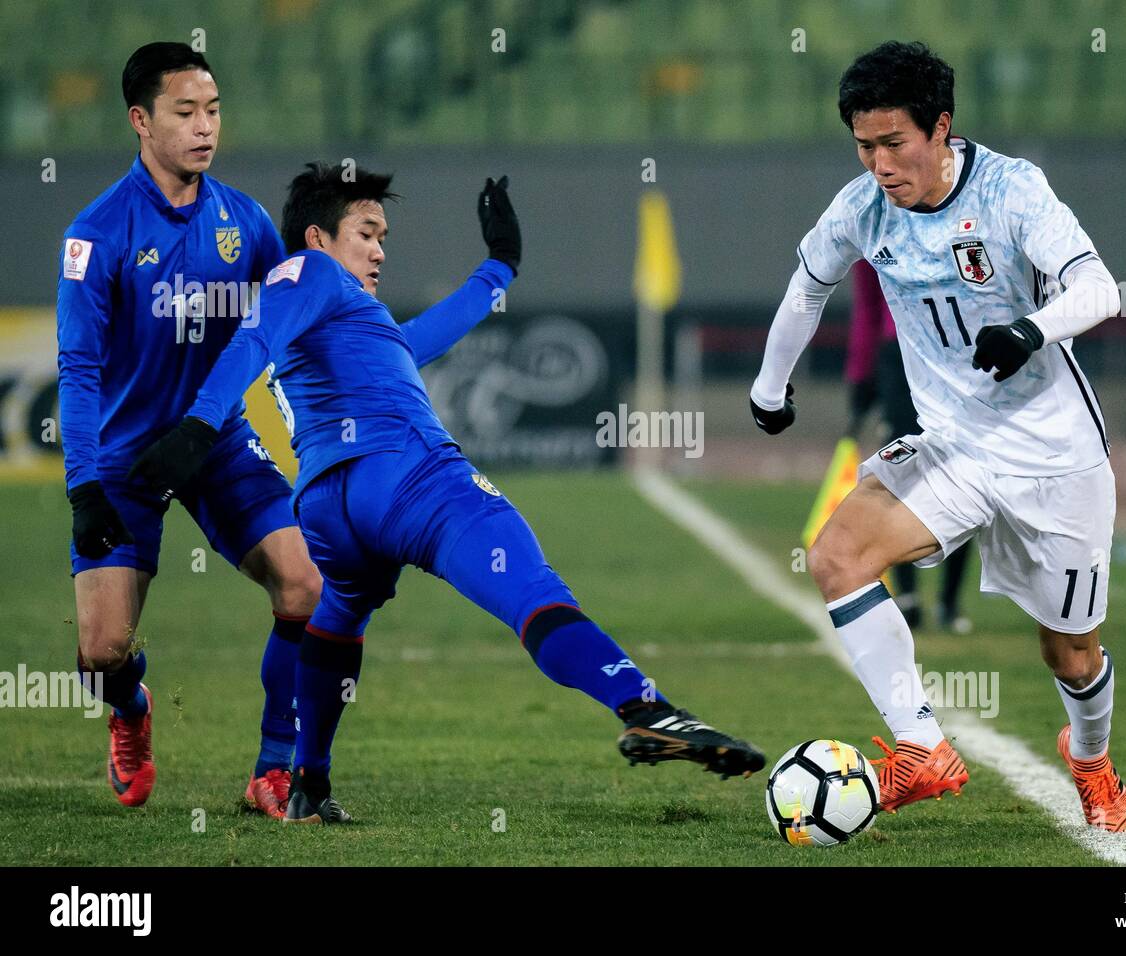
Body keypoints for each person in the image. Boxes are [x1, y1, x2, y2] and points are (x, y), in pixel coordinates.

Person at [130, 163, 765, 823]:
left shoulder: (348, 320)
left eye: (383, 237)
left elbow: (423, 336)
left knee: (337, 619)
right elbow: (255, 335)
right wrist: (201, 424)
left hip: (329, 509)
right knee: (530, 588)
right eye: (366, 233)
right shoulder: (308, 271)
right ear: (318, 237)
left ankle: (309, 782)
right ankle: (644, 707)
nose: (380, 251)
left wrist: (499, 268)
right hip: (407, 478)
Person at [749, 42, 1126, 831]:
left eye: (894, 143)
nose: (880, 164)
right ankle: (922, 746)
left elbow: (1099, 289)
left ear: (941, 128)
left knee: (1071, 654)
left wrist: (1029, 330)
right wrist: (769, 385)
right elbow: (807, 287)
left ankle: (1093, 762)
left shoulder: (1011, 190)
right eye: (865, 146)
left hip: (1054, 457)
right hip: (954, 446)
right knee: (837, 557)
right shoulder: (861, 207)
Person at [57, 42, 320, 815]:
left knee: (305, 582)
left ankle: (273, 768)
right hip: (126, 460)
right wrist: (84, 488)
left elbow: (292, 318)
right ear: (141, 121)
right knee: (101, 654)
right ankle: (130, 707)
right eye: (186, 112)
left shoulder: (246, 221)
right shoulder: (96, 234)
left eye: (213, 110)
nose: (205, 127)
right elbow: (78, 371)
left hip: (217, 446)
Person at [846, 260, 972, 633]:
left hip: (953, 354)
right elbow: (868, 307)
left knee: (962, 472)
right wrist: (861, 376)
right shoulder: (870, 236)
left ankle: (949, 600)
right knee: (901, 473)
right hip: (898, 358)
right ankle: (908, 595)